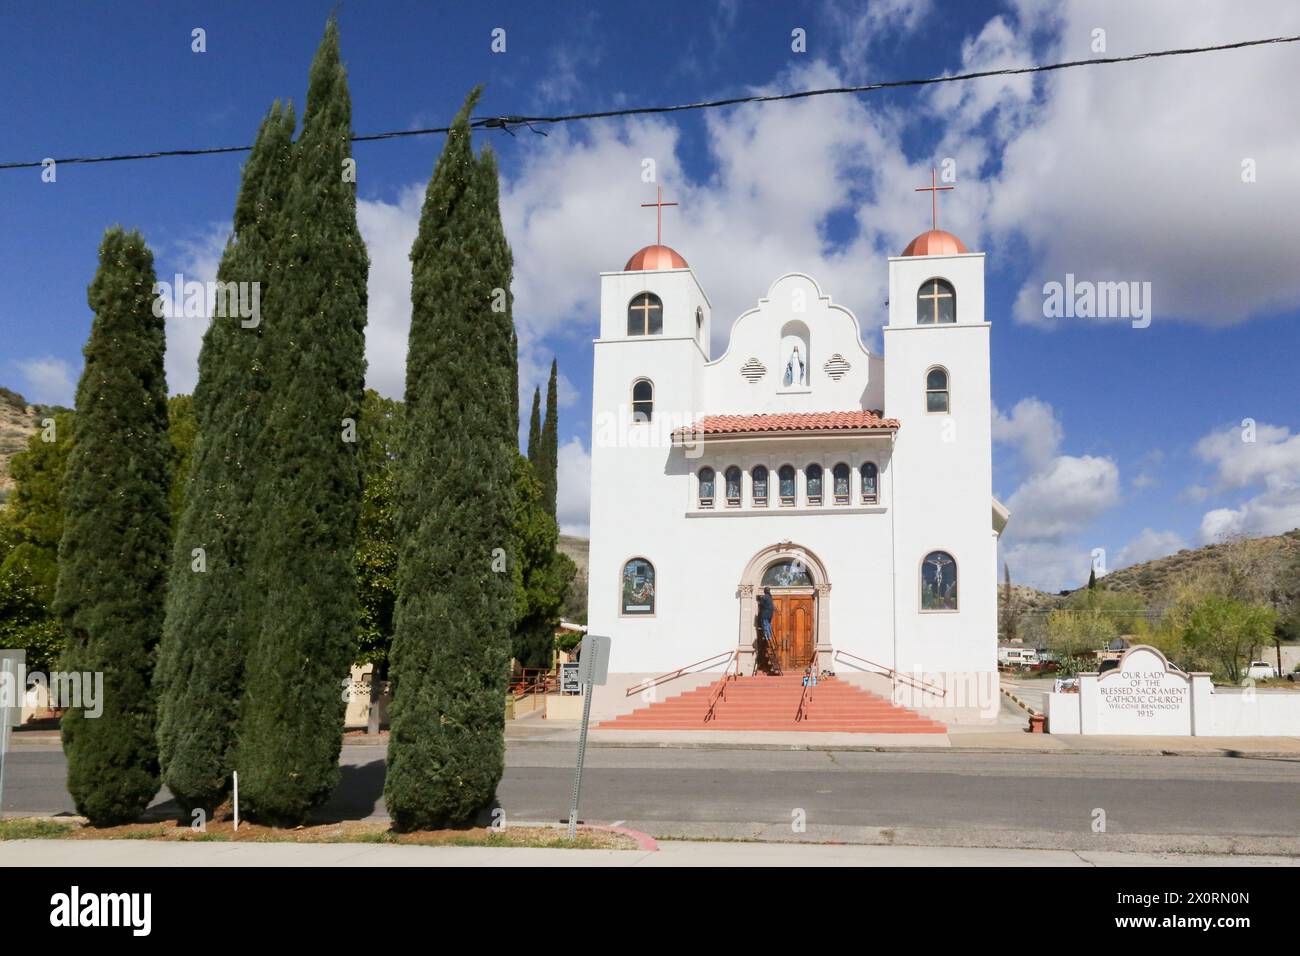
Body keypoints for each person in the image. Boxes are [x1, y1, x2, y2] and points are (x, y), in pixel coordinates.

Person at [756, 587, 778, 674]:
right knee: (768, 625)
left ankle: (767, 636)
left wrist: (759, 600)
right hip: (770, 615)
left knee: (765, 625)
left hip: (765, 615)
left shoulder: (765, 597)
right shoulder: (770, 597)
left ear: (765, 591)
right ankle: (768, 636)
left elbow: (761, 604)